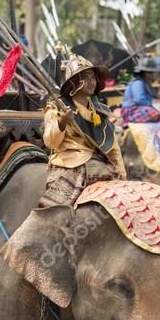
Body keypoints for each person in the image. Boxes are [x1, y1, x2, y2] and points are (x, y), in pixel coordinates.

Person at [40, 53, 126, 207]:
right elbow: (50, 142)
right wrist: (61, 122)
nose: (92, 82)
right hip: (70, 160)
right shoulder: (57, 107)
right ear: (75, 82)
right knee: (57, 209)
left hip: (96, 160)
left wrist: (122, 174)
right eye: (86, 77)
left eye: (93, 77)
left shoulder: (100, 111)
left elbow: (112, 147)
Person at [119, 57, 160, 124]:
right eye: (151, 72)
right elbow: (139, 100)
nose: (153, 74)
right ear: (144, 73)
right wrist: (151, 104)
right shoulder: (138, 83)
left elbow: (153, 95)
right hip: (131, 110)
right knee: (154, 114)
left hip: (140, 108)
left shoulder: (146, 83)